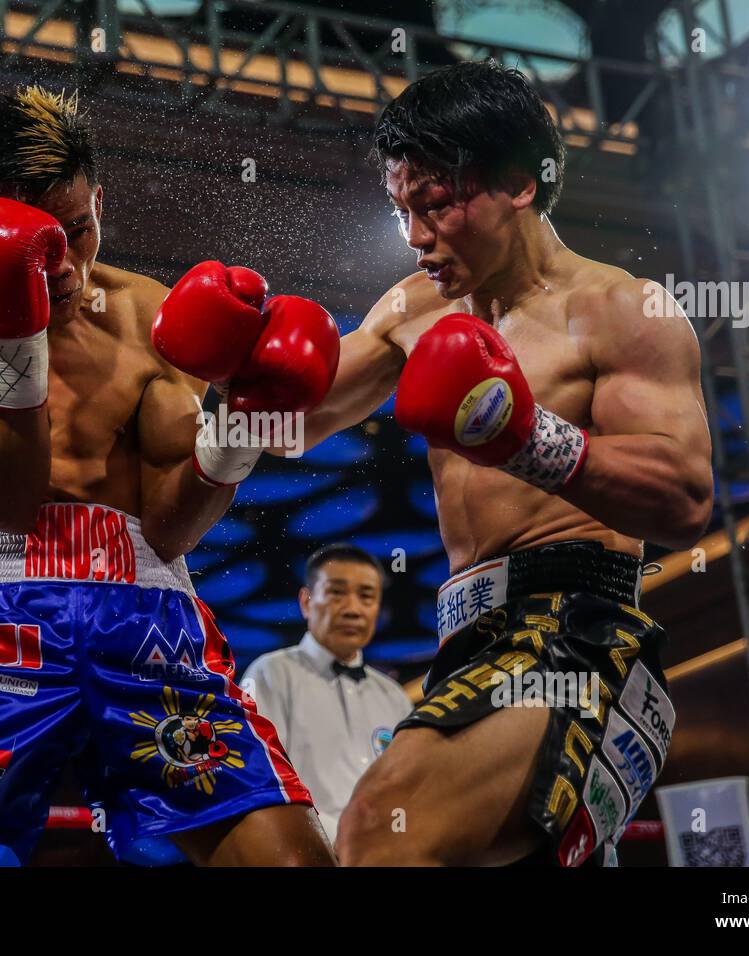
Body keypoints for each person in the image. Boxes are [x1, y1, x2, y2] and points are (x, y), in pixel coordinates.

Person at [0, 85, 339, 866]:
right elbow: (5, 503)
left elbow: (173, 525)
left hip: (147, 609)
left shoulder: (150, 314)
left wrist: (241, 424)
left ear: (98, 200)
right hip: (2, 609)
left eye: (79, 229)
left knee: (293, 860)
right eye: (43, 241)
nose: (69, 262)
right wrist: (14, 335)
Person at [289, 60, 714, 866]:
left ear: (520, 185)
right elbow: (287, 425)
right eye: (401, 209)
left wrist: (522, 436)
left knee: (381, 832)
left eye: (435, 205)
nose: (415, 235)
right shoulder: (413, 310)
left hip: (577, 635)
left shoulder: (621, 312)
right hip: (466, 641)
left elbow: (685, 497)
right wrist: (232, 371)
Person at [242, 544, 411, 841]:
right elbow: (264, 783)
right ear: (306, 601)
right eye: (336, 592)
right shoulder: (270, 674)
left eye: (366, 596)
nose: (353, 609)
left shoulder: (394, 697)